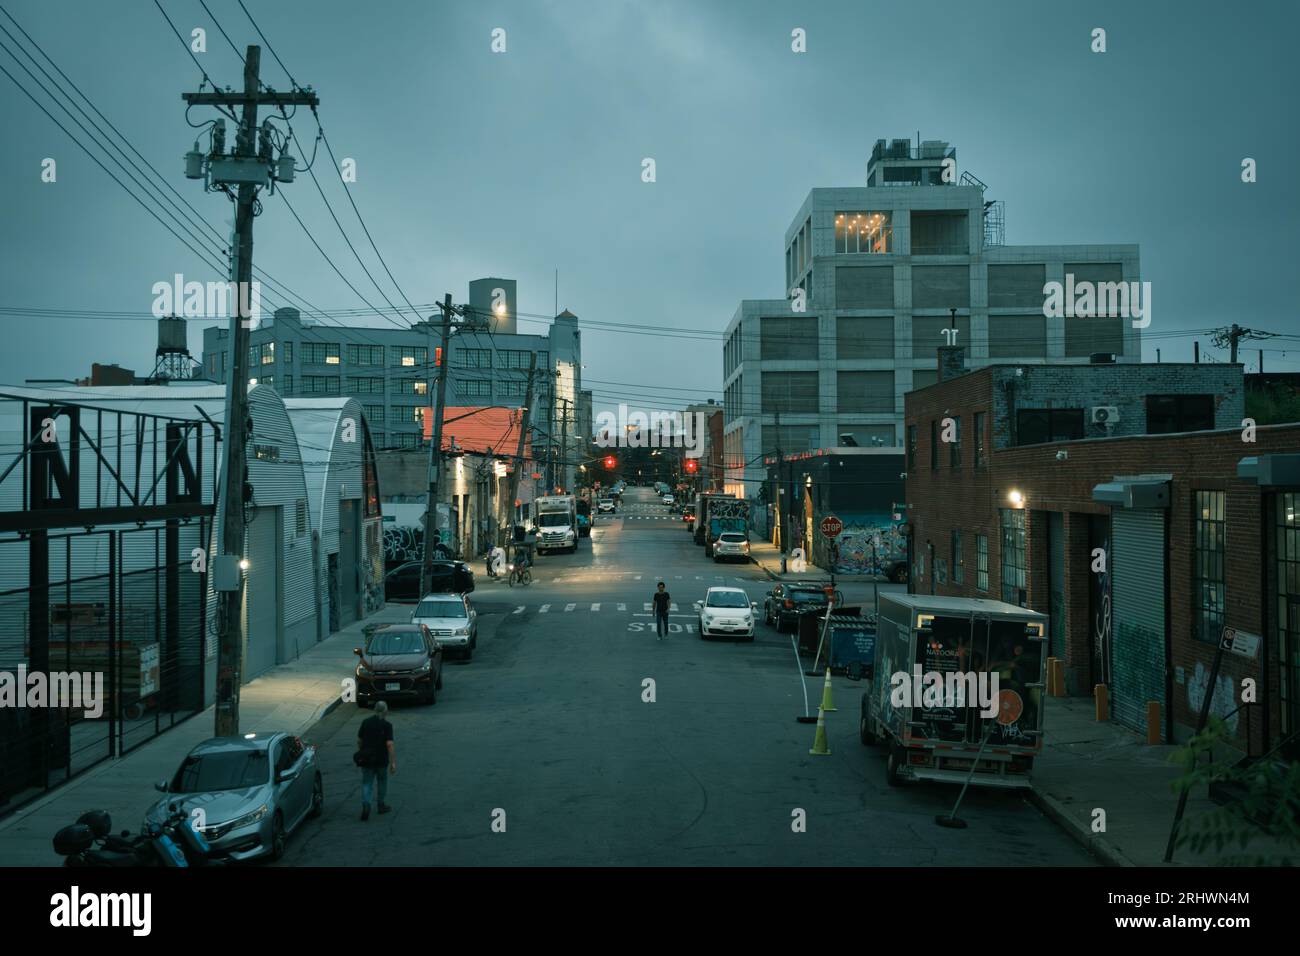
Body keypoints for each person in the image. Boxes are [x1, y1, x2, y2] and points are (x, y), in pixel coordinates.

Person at [356, 700, 396, 821]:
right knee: (382, 781)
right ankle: (381, 804)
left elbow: (359, 740)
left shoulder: (365, 722)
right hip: (382, 759)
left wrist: (362, 751)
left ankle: (366, 804)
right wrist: (393, 762)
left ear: (374, 710)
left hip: (367, 759)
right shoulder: (387, 726)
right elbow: (389, 744)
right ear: (385, 711)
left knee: (367, 782)